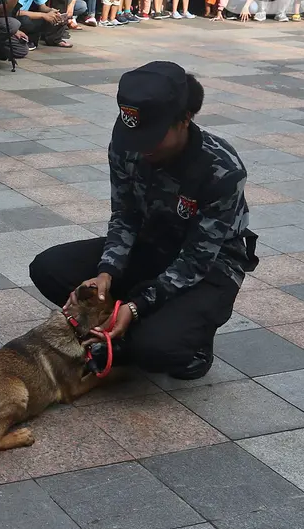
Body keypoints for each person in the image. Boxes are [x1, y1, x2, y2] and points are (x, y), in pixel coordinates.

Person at [30, 61, 257, 382]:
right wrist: (106, 273)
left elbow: (195, 261)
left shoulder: (221, 169)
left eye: (152, 136)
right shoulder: (129, 141)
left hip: (210, 265)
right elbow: (125, 215)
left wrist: (136, 306)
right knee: (48, 268)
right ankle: (123, 328)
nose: (141, 148)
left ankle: (190, 340)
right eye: (135, 136)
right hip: (150, 245)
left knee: (157, 349)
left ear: (185, 119)